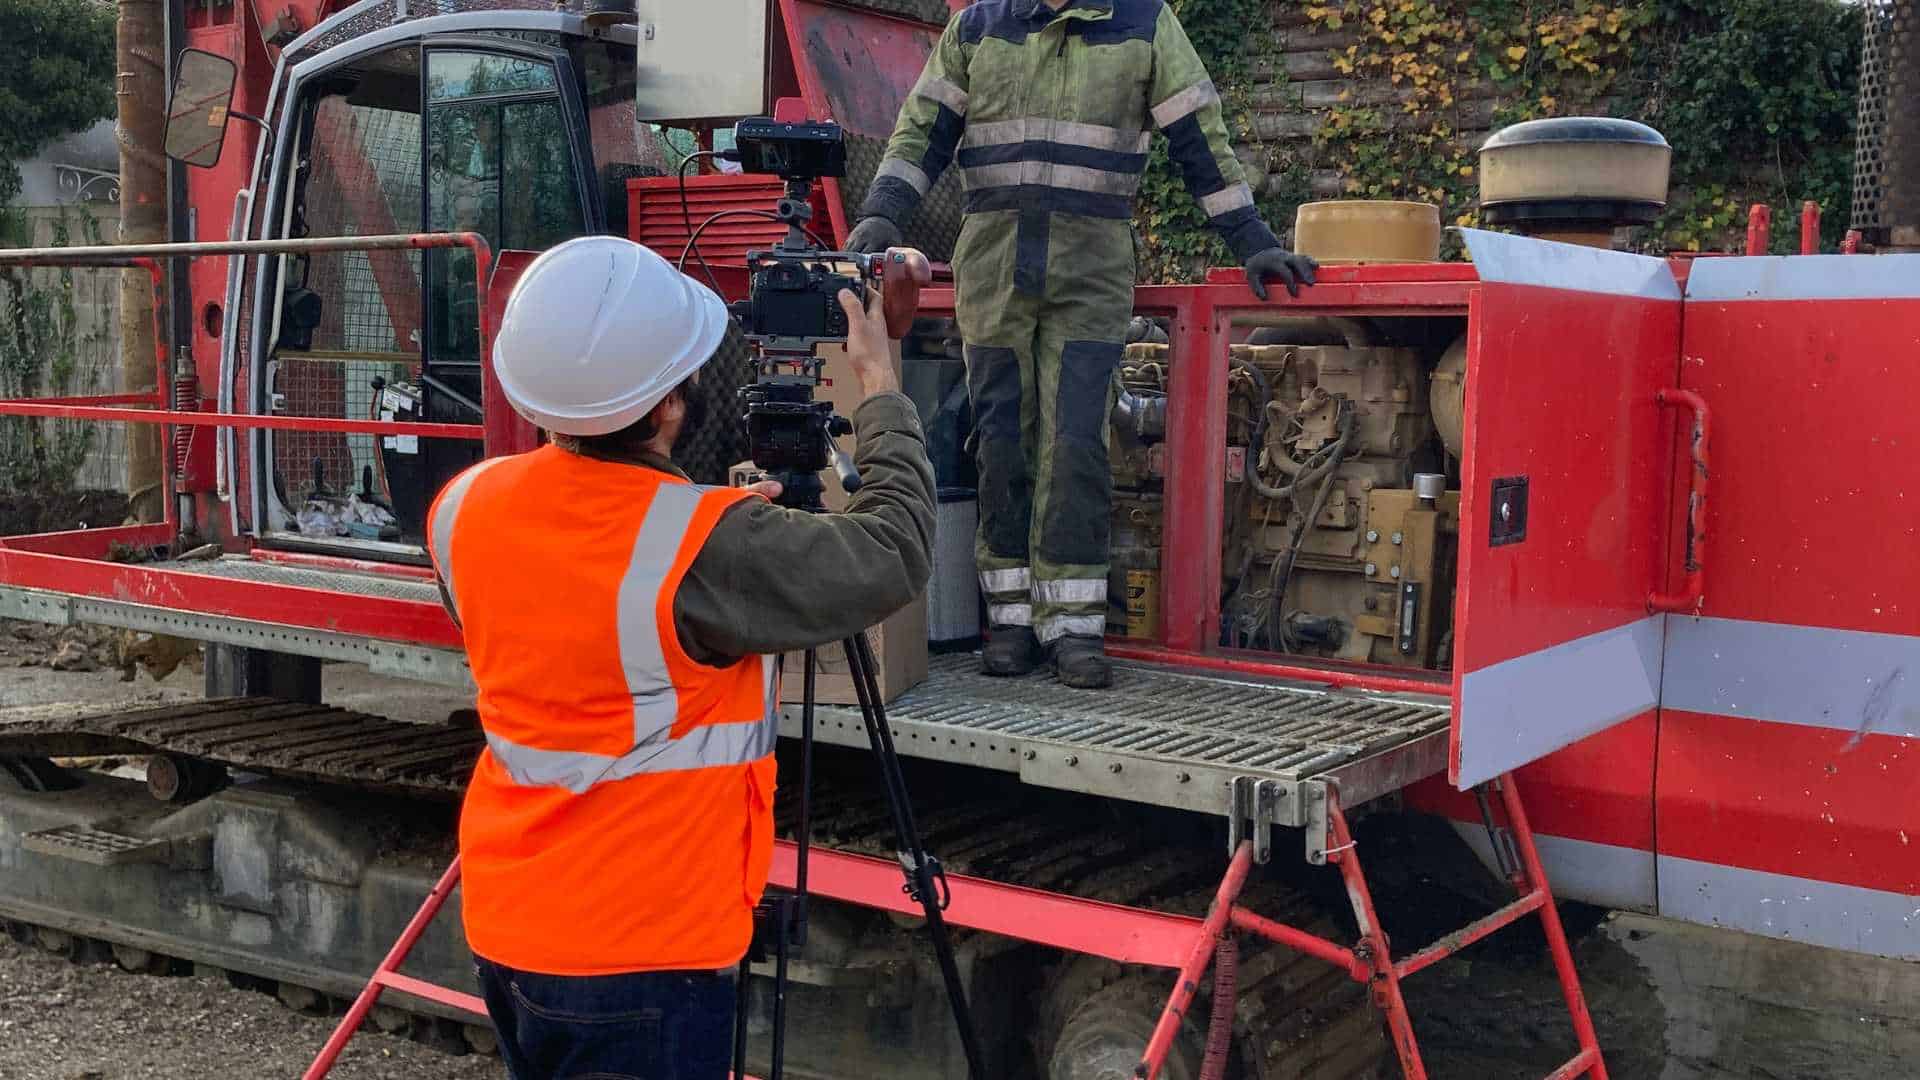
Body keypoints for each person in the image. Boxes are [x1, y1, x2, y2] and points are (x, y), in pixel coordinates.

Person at [426, 235, 935, 1080]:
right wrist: (879, 387)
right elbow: (895, 550)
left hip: (510, 929)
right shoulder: (707, 546)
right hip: (644, 955)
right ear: (668, 405)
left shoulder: (464, 505)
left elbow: (584, 585)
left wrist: (717, 529)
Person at [847, 0, 1316, 689]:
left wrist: (1252, 241)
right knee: (1000, 439)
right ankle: (1010, 621)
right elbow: (923, 128)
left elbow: (1198, 136)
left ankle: (1073, 628)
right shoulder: (978, 27)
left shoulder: (1143, 22)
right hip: (995, 265)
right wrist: (883, 214)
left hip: (1090, 269)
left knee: (1076, 444)